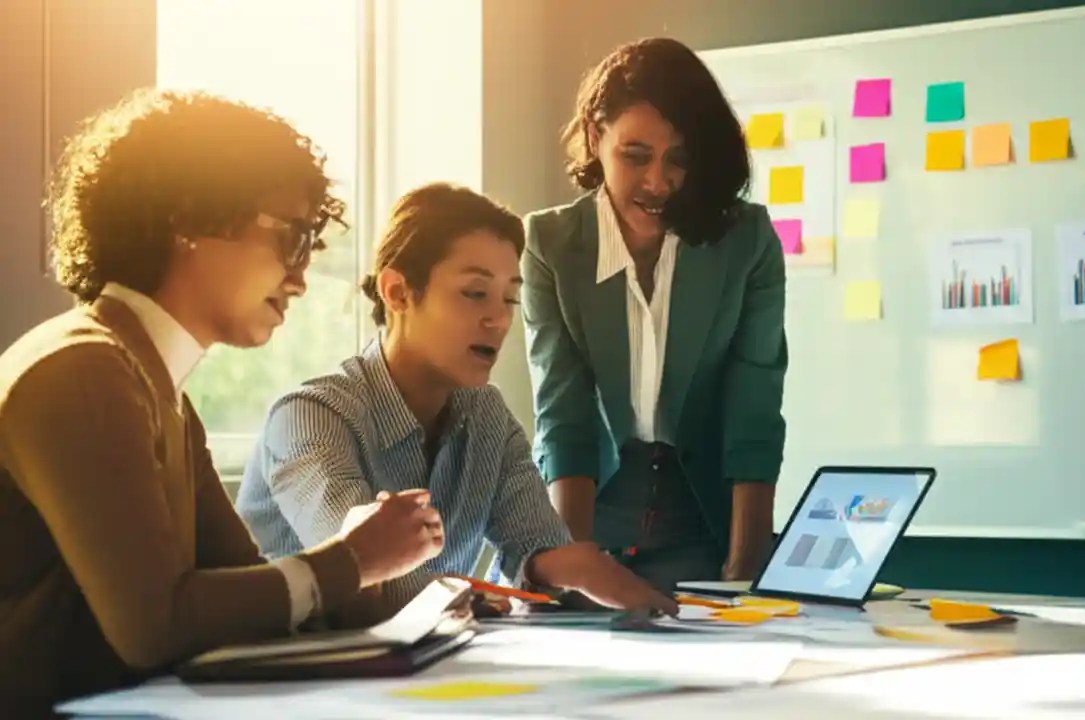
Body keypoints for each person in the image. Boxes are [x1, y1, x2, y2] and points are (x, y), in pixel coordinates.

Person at [0, 89, 441, 715]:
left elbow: (244, 590)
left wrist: (387, 573)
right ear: (188, 218)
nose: (299, 277)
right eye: (291, 238)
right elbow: (156, 624)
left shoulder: (156, 389)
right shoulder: (83, 371)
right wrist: (351, 560)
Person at [236, 182, 678, 616]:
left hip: (416, 673)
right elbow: (361, 577)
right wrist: (471, 596)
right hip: (284, 678)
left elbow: (536, 545)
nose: (499, 319)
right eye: (474, 293)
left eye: (510, 298)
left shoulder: (487, 416)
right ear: (397, 292)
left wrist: (564, 566)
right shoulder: (310, 418)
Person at [522, 37, 788, 593]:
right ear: (596, 139)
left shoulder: (747, 242)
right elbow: (563, 414)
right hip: (591, 523)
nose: (658, 183)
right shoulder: (550, 244)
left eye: (679, 160)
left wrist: (744, 574)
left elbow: (753, 412)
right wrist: (575, 573)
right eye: (635, 155)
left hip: (707, 530)